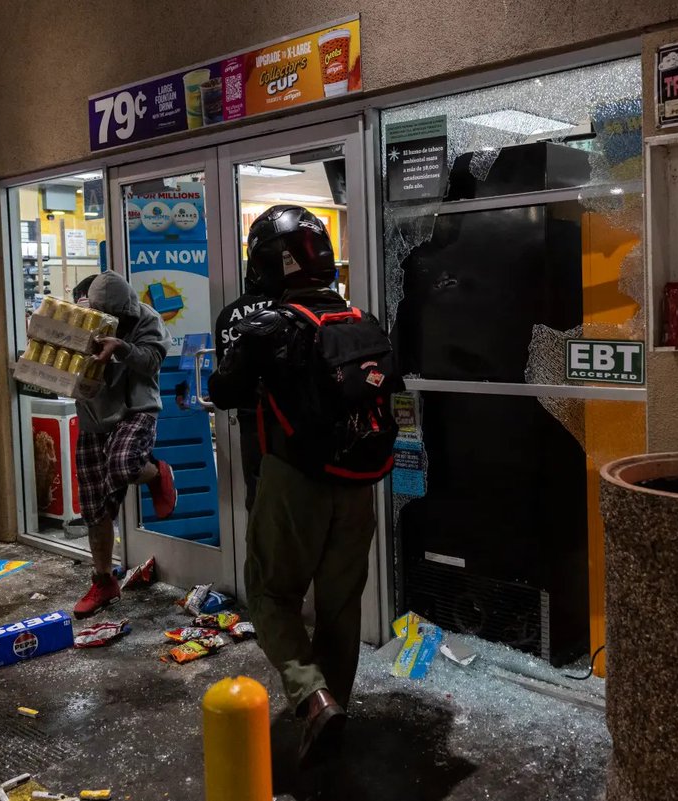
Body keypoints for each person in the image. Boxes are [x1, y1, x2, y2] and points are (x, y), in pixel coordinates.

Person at [209, 206, 400, 765]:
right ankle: (334, 708)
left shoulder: (268, 325)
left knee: (270, 593)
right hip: (358, 483)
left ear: (273, 262)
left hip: (295, 480)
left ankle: (314, 702)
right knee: (340, 606)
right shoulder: (356, 317)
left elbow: (224, 391)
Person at [72, 272, 177, 617]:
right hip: (93, 415)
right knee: (94, 507)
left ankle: (157, 472)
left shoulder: (147, 319)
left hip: (135, 409)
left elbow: (151, 362)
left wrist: (122, 348)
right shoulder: (82, 318)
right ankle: (103, 581)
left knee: (124, 464)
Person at [212, 270, 272, 507]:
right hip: (289, 424)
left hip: (250, 424)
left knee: (258, 502)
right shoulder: (283, 309)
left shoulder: (228, 315)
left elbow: (225, 385)